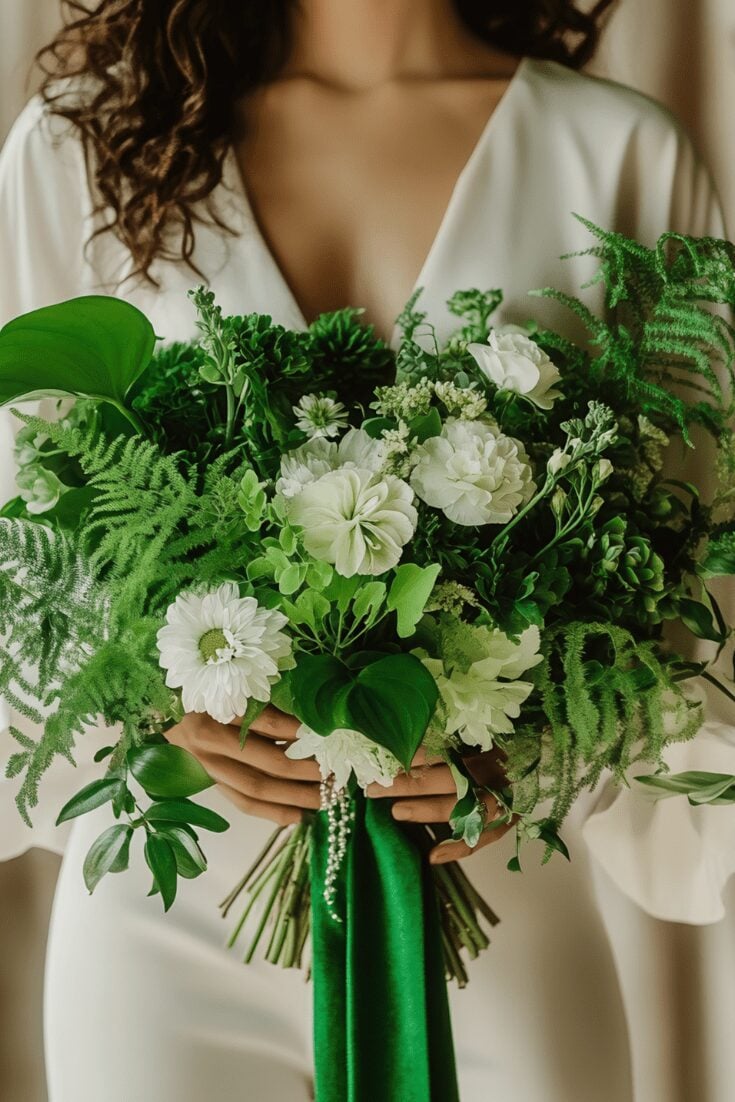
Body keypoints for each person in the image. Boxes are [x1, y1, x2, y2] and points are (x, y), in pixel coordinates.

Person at [1, 2, 735, 1099]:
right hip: (164, 929)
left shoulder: (620, 152)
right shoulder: (84, 146)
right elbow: (21, 558)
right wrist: (166, 697)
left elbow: (686, 610)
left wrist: (538, 764)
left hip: (501, 922)